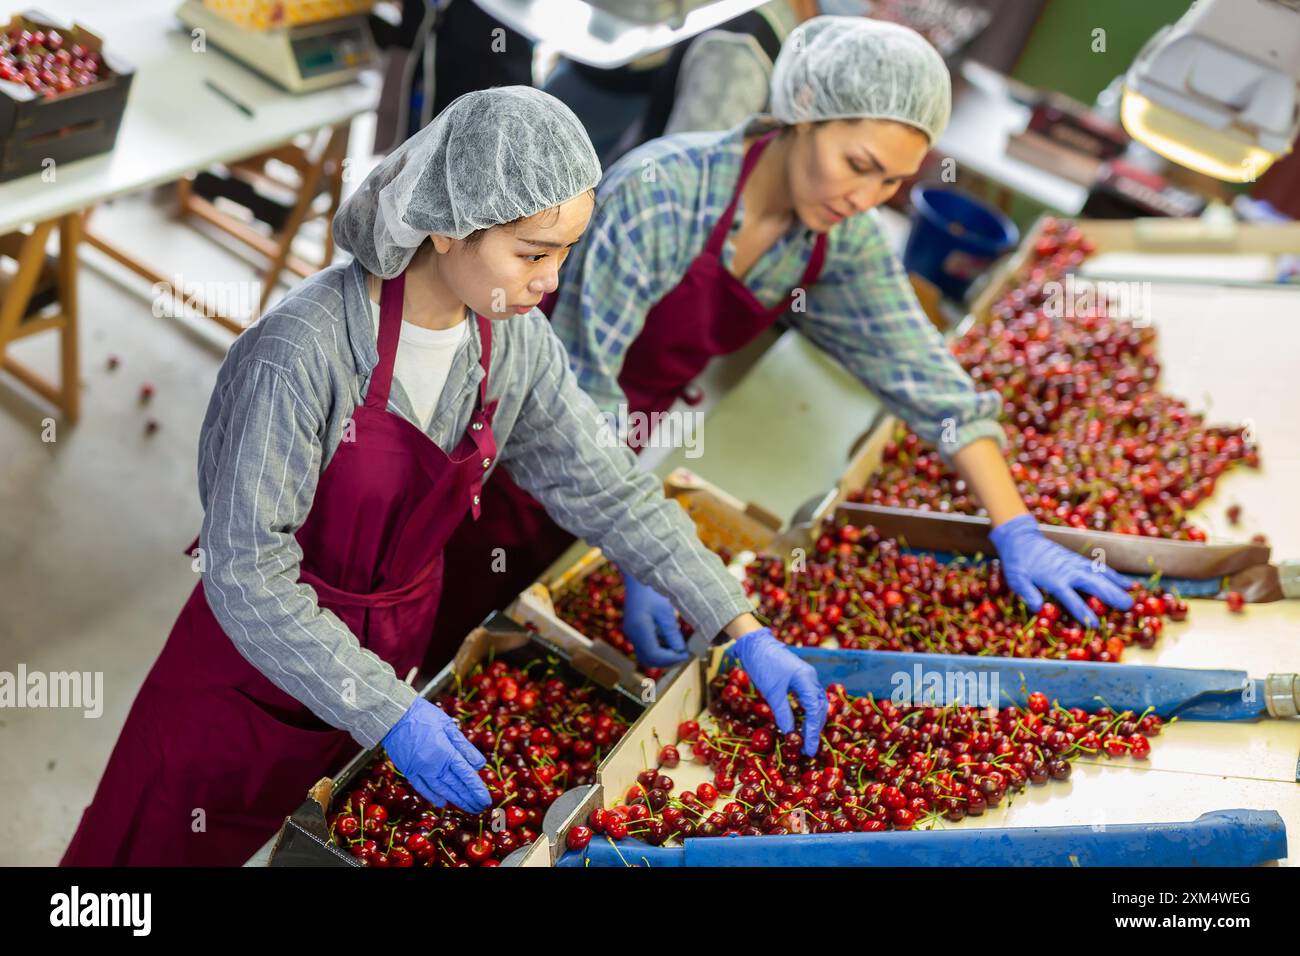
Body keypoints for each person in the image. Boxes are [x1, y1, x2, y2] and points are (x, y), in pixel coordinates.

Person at [60, 87, 824, 867]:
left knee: (308, 840)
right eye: (533, 253)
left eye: (565, 253)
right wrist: (389, 713)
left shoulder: (510, 344)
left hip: (393, 657)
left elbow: (605, 483)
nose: (552, 283)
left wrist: (740, 624)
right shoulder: (301, 354)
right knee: (144, 860)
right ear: (451, 228)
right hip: (249, 679)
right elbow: (246, 571)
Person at [433, 18, 1135, 670]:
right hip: (497, 436)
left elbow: (922, 374)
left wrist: (1015, 528)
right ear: (803, 108)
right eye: (857, 163)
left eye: (892, 180)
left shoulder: (837, 236)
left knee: (514, 628)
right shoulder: (663, 195)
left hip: (612, 460)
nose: (866, 196)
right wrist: (647, 553)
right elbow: (583, 395)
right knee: (440, 611)